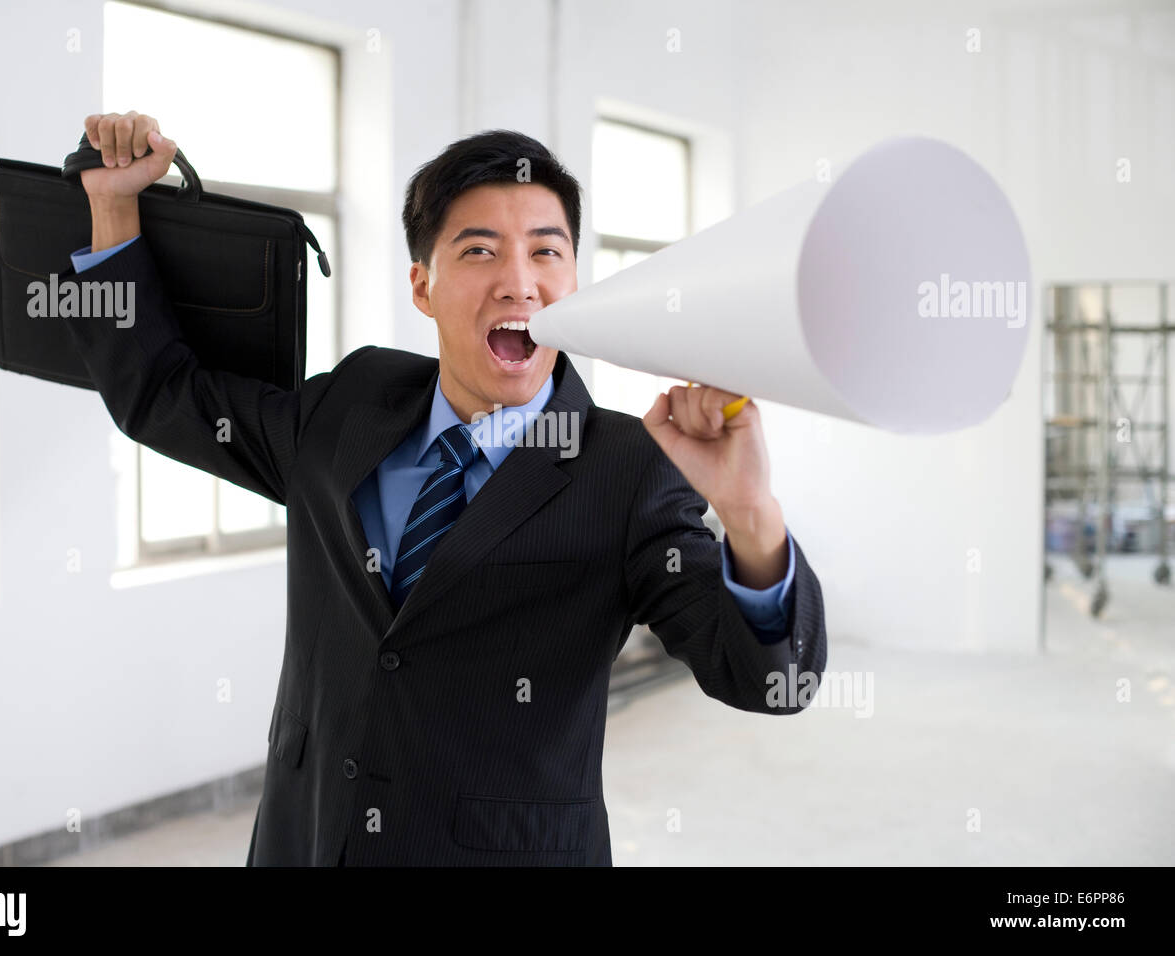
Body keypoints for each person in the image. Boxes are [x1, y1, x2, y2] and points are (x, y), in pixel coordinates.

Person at [64, 111, 828, 866]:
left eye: (546, 252)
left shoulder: (629, 468)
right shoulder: (352, 403)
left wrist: (748, 513)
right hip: (310, 840)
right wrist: (113, 204)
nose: (518, 283)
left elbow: (775, 682)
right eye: (480, 251)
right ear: (423, 286)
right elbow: (164, 397)